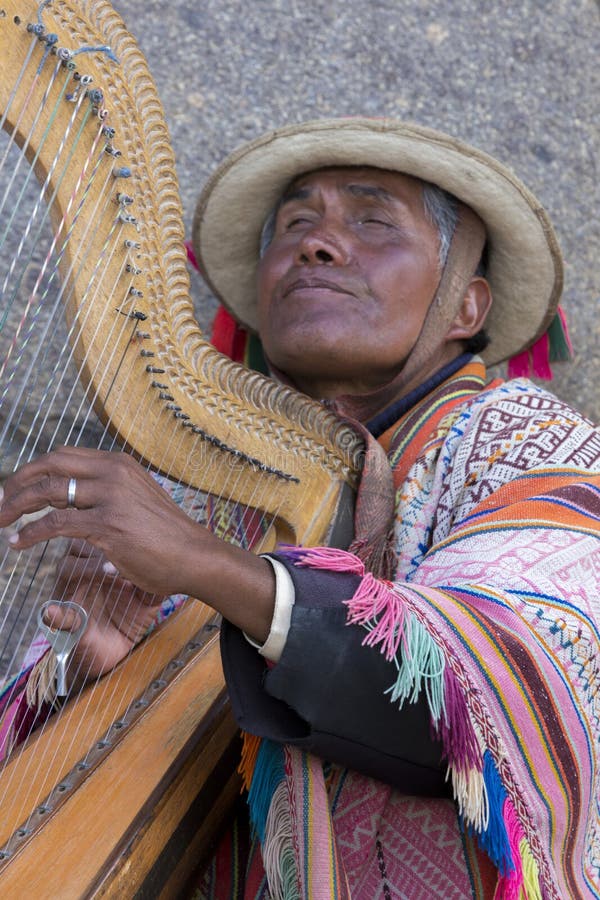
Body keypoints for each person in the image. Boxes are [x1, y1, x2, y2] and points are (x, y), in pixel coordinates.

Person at [0, 118, 598, 899]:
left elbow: (486, 702)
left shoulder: (536, 445)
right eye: (294, 225)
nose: (316, 244)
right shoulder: (204, 496)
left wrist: (207, 567)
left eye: (373, 220)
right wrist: (92, 664)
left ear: (466, 308)